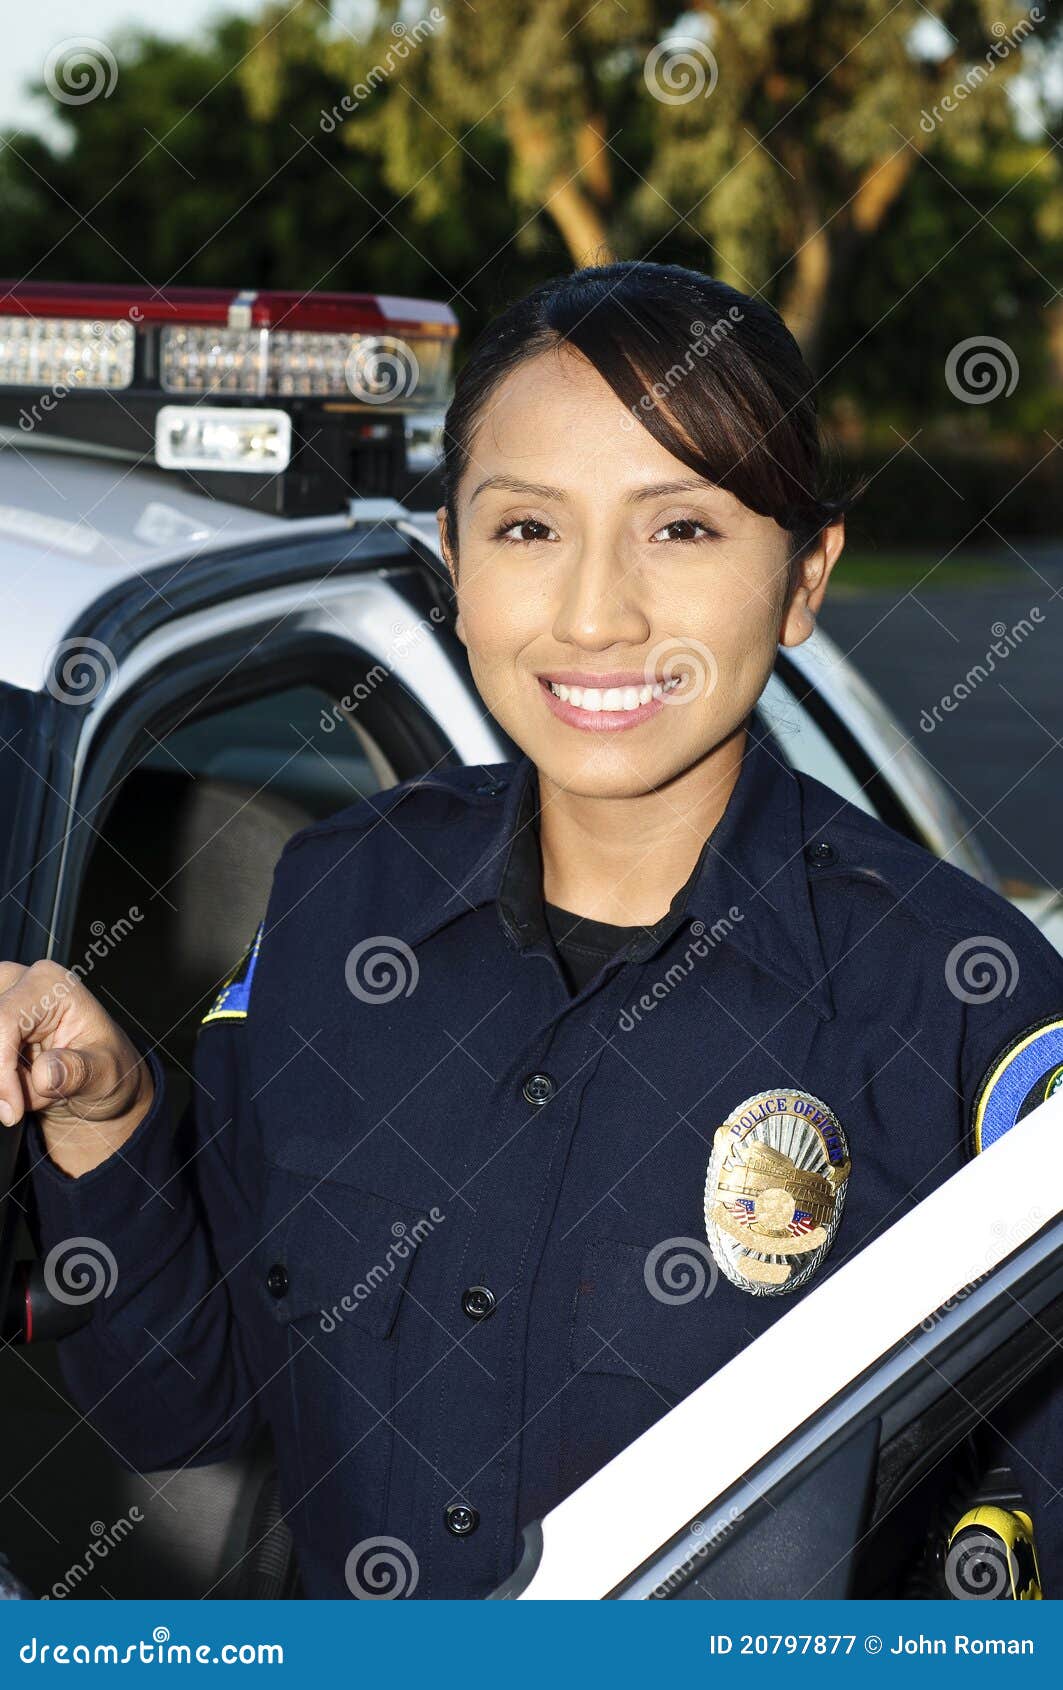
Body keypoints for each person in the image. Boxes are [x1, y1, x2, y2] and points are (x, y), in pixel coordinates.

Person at [1, 261, 1061, 1600]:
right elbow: (187, 1411)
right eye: (526, 530)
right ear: (451, 561)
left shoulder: (965, 1011)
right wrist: (107, 1112)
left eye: (680, 529)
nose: (595, 614)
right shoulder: (341, 902)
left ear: (803, 577)